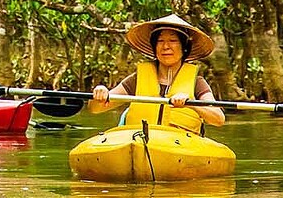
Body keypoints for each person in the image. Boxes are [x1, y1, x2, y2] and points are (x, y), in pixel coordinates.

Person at [89, 13, 225, 130]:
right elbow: (96, 109)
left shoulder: (197, 83)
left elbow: (218, 119)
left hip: (179, 145)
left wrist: (192, 103)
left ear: (184, 47)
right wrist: (101, 93)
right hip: (139, 141)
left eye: (173, 40)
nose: (166, 46)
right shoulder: (137, 79)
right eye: (160, 41)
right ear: (154, 47)